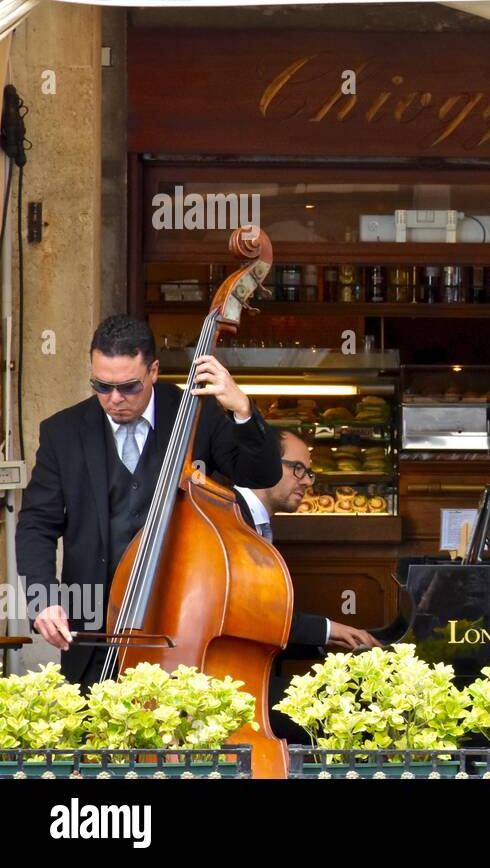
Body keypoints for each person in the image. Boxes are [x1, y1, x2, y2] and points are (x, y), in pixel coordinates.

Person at [17, 314, 282, 686]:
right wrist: (42, 599)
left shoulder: (196, 413)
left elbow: (261, 475)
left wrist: (241, 410)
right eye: (101, 386)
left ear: (153, 371)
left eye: (128, 387)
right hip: (95, 633)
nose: (114, 399)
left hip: (181, 623)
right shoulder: (62, 432)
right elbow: (36, 525)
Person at [230, 427, 379, 742]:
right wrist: (329, 630)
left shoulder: (250, 518)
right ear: (263, 463)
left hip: (253, 675)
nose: (308, 481)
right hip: (235, 682)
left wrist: (328, 633)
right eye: (298, 469)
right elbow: (247, 614)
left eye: (310, 472)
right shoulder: (231, 517)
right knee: (357, 718)